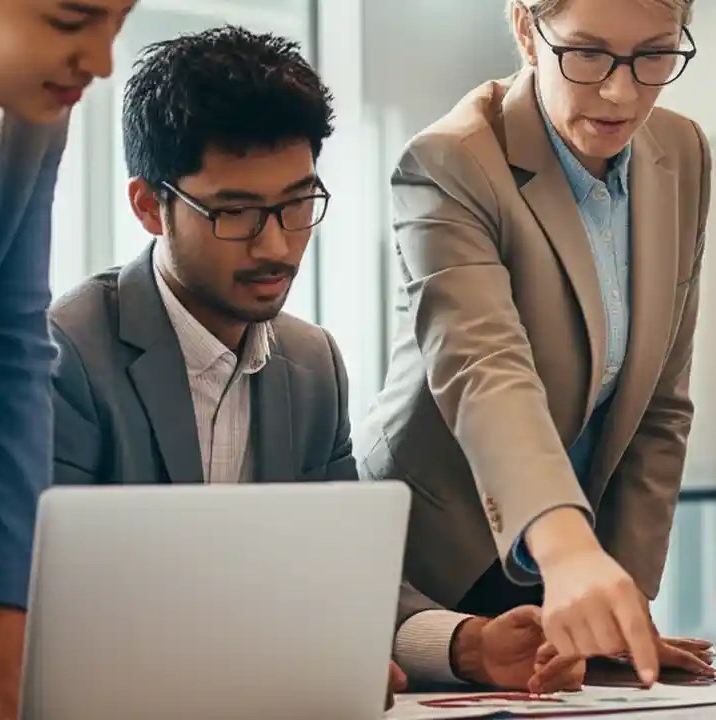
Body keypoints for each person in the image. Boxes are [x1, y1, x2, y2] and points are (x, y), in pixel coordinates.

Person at [48, 26, 582, 697]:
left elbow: (347, 580)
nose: (276, 246)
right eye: (235, 212)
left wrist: (468, 645)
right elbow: (17, 613)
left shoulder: (310, 364)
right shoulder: (68, 355)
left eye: (298, 203)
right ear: (150, 207)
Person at [355, 0, 716, 685]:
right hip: (427, 564)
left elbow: (660, 406)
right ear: (525, 30)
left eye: (655, 55)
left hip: (569, 560)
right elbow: (485, 370)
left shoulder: (682, 153)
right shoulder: (450, 161)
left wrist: (622, 604)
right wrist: (569, 553)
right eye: (586, 54)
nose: (622, 90)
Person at [0, 1, 132, 717]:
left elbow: (6, 361)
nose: (101, 61)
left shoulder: (32, 117)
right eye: (70, 21)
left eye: (119, 22)